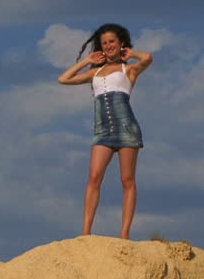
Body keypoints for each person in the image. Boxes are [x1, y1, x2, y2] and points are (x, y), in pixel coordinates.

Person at [57, 23, 153, 239]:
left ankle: (124, 234)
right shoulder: (95, 72)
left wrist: (130, 53)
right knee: (94, 176)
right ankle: (86, 233)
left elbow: (147, 58)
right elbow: (63, 79)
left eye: (112, 42)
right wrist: (86, 61)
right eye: (104, 43)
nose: (108, 46)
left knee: (127, 180)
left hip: (127, 128)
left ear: (120, 44)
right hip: (102, 131)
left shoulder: (128, 69)